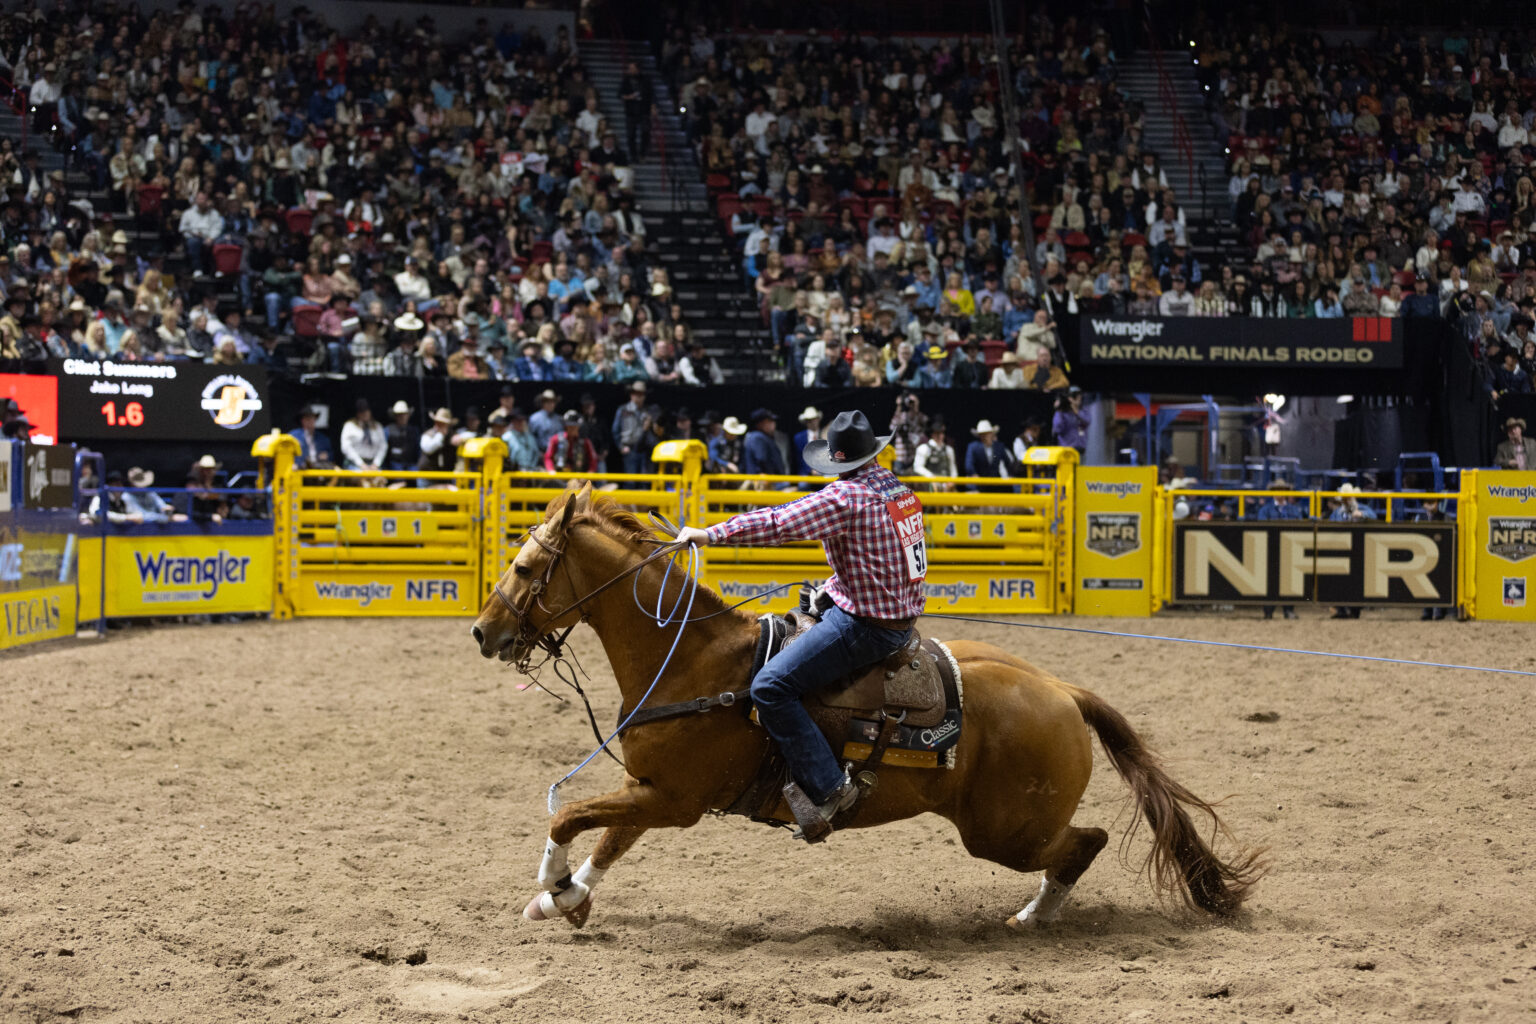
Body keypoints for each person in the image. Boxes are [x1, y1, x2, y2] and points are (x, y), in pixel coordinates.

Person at [673, 411, 926, 841]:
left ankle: (831, 786)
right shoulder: (899, 492)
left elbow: (778, 522)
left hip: (867, 624)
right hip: (898, 614)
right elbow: (889, 560)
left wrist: (710, 534)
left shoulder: (844, 498)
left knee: (771, 687)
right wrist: (835, 588)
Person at [1257, 483, 1305, 620]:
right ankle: (1268, 611)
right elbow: (1261, 527)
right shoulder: (1265, 510)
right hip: (1271, 548)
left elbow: (1300, 526)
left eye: (1283, 490)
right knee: (1269, 579)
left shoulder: (1294, 510)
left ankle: (1288, 610)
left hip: (1290, 549)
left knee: (1289, 580)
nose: (1280, 492)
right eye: (1277, 490)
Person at [612, 381, 653, 474]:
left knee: (644, 481)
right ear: (631, 394)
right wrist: (621, 447)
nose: (639, 396)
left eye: (641, 394)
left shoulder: (647, 411)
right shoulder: (623, 410)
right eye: (636, 393)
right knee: (630, 482)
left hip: (644, 450)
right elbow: (615, 430)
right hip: (629, 449)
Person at [340, 398, 387, 472]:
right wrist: (361, 464)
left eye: (366, 410)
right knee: (362, 481)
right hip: (354, 464)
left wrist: (376, 464)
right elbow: (346, 448)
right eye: (361, 411)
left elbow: (383, 446)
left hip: (373, 465)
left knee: (380, 480)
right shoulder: (349, 426)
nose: (365, 413)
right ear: (357, 413)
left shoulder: (377, 426)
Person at [545, 409, 600, 474]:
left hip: (579, 477)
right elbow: (548, 457)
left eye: (574, 426)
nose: (572, 428)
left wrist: (589, 473)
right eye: (570, 426)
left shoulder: (586, 442)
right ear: (566, 426)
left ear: (578, 427)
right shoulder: (555, 439)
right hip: (559, 476)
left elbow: (593, 460)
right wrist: (551, 470)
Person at [913, 419, 958, 489]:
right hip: (930, 485)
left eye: (942, 433)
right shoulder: (923, 448)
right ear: (932, 434)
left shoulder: (949, 450)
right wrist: (932, 478)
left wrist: (952, 481)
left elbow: (952, 468)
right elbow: (918, 467)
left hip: (948, 486)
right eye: (937, 433)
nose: (940, 436)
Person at [964, 419, 1011, 485]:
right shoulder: (973, 447)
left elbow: (1008, 463)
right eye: (982, 434)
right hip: (978, 484)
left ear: (992, 434)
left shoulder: (999, 446)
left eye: (987, 433)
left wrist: (1009, 475)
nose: (985, 436)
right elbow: (969, 465)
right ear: (979, 435)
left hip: (996, 483)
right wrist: (973, 474)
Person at [743, 408, 787, 476]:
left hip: (773, 481)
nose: (773, 423)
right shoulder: (758, 437)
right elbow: (761, 460)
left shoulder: (765, 437)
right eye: (769, 421)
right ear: (760, 423)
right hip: (765, 482)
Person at [186, 455, 228, 523]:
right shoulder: (193, 482)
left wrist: (209, 487)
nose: (207, 472)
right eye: (205, 469)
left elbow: (222, 499)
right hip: (199, 517)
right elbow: (201, 496)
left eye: (211, 469)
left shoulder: (219, 484)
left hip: (217, 519)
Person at [417, 408, 458, 473]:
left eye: (443, 423)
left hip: (446, 476)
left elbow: (465, 436)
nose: (439, 425)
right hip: (427, 476)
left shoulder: (453, 435)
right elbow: (428, 449)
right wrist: (440, 435)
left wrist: (459, 440)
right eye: (439, 422)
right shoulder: (427, 435)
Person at [1052, 388, 1090, 454]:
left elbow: (1087, 421)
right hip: (1066, 449)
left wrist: (1076, 411)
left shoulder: (1083, 410)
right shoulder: (1062, 413)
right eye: (1075, 397)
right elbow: (1058, 429)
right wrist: (1059, 410)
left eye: (1079, 397)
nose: (1078, 399)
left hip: (1080, 448)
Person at [385, 400, 420, 470]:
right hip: (394, 464)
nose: (402, 417)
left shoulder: (414, 431)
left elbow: (418, 450)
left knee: (417, 473)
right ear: (395, 416)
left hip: (411, 464)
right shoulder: (388, 430)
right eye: (399, 415)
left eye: (404, 414)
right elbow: (384, 450)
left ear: (408, 415)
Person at [792, 406, 823, 476]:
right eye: (809, 420)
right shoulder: (798, 438)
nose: (812, 422)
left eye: (814, 419)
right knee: (803, 485)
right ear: (805, 422)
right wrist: (810, 470)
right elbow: (800, 459)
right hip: (806, 473)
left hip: (825, 472)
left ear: (818, 419)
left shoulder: (826, 434)